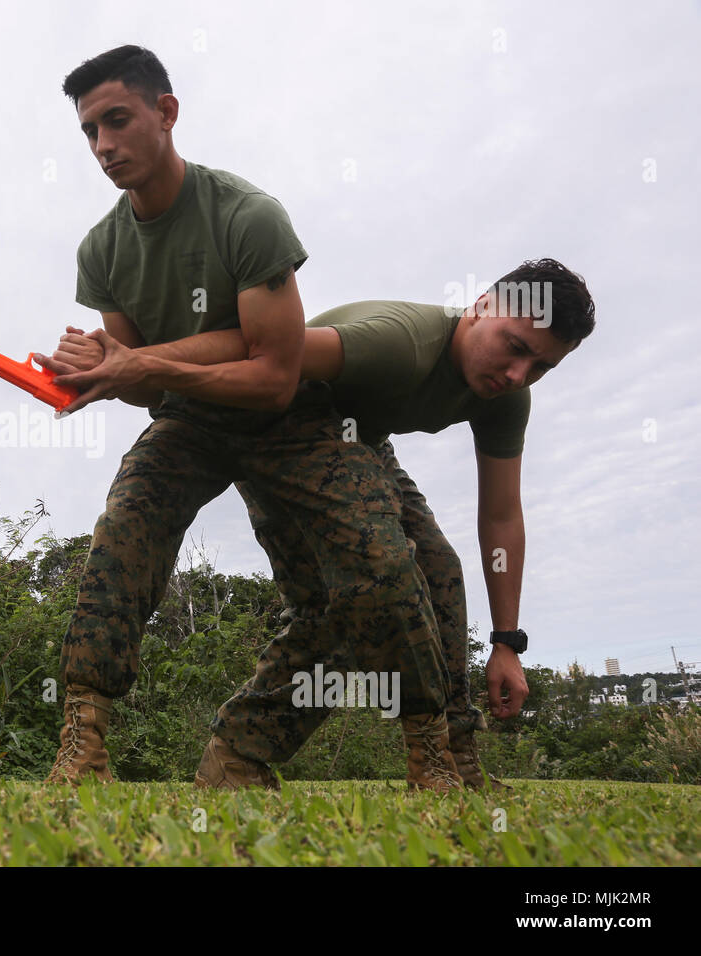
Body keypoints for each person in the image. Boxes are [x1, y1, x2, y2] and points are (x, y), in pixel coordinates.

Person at [40, 43, 461, 792]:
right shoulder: (100, 250)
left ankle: (431, 754)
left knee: (379, 562)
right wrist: (102, 372)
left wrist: (141, 364)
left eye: (117, 121)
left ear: (165, 113)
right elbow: (142, 383)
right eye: (88, 132)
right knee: (121, 534)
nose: (103, 147)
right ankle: (82, 748)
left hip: (293, 420)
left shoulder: (248, 216)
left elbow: (274, 374)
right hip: (191, 421)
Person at [48, 260, 596, 788]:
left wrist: (507, 642)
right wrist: (132, 361)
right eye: (516, 348)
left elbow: (501, 513)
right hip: (282, 415)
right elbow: (263, 349)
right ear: (480, 308)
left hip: (359, 440)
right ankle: (234, 750)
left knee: (438, 570)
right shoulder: (399, 344)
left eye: (541, 367)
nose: (518, 374)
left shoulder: (506, 396)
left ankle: (454, 754)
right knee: (348, 597)